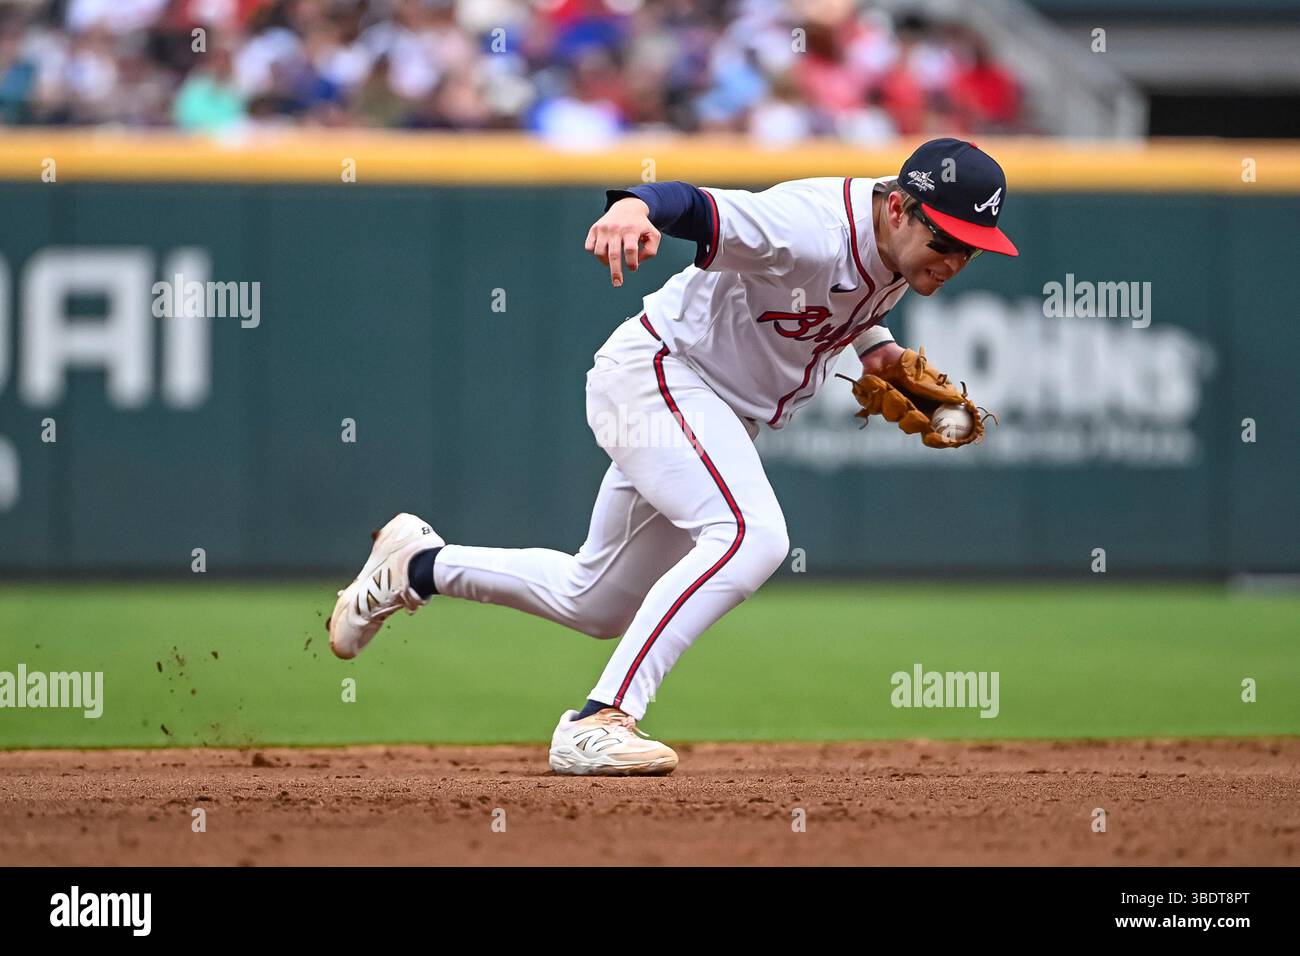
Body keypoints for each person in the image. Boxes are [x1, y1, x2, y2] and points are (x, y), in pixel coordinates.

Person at [327, 138, 1018, 775]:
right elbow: (692, 204)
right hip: (659, 376)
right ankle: (599, 719)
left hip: (706, 407)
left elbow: (849, 296)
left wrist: (877, 352)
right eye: (946, 239)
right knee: (751, 536)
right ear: (899, 207)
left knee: (594, 601)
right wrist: (631, 204)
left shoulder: (893, 239)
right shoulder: (806, 225)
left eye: (970, 248)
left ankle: (415, 566)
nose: (954, 259)